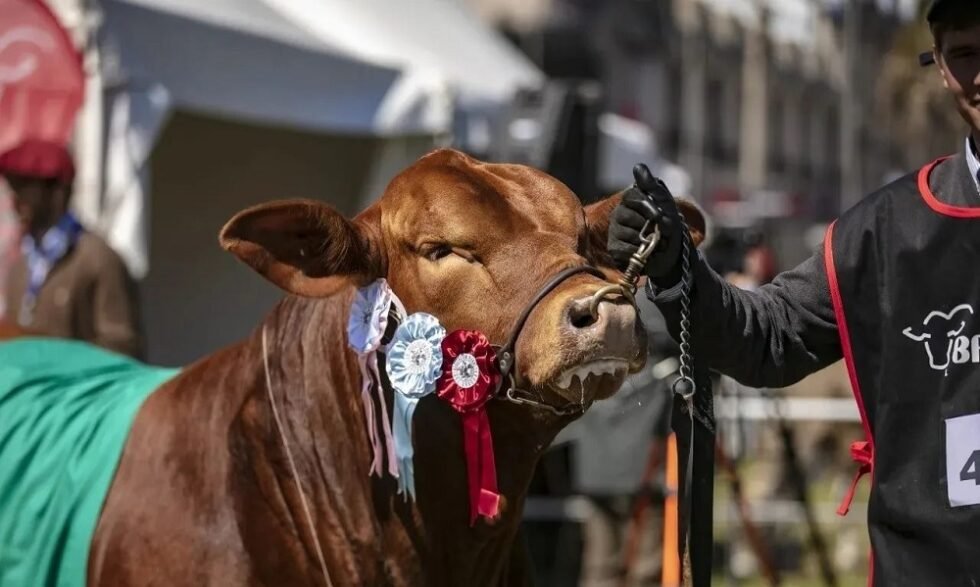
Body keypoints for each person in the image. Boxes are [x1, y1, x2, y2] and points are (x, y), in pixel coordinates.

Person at [606, 1, 980, 583]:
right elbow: (768, 335)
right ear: (940, 66)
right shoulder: (886, 230)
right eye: (965, 55)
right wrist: (679, 267)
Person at [0, 139, 143, 358]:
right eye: (13, 188)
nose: (16, 201)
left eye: (25, 187)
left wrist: (51, 357)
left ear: (58, 191)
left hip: (79, 390)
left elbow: (123, 347)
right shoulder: (20, 266)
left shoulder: (97, 259)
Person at [573, 293, 674, 587]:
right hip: (642, 442)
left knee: (607, 565)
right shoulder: (654, 297)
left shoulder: (589, 290)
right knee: (640, 563)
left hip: (614, 443)